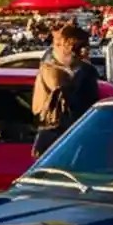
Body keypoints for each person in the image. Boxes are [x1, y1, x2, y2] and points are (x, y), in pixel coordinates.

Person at [32, 24, 100, 157]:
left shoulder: (51, 66)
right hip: (65, 136)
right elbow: (74, 101)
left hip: (66, 135)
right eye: (80, 47)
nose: (85, 51)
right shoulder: (57, 71)